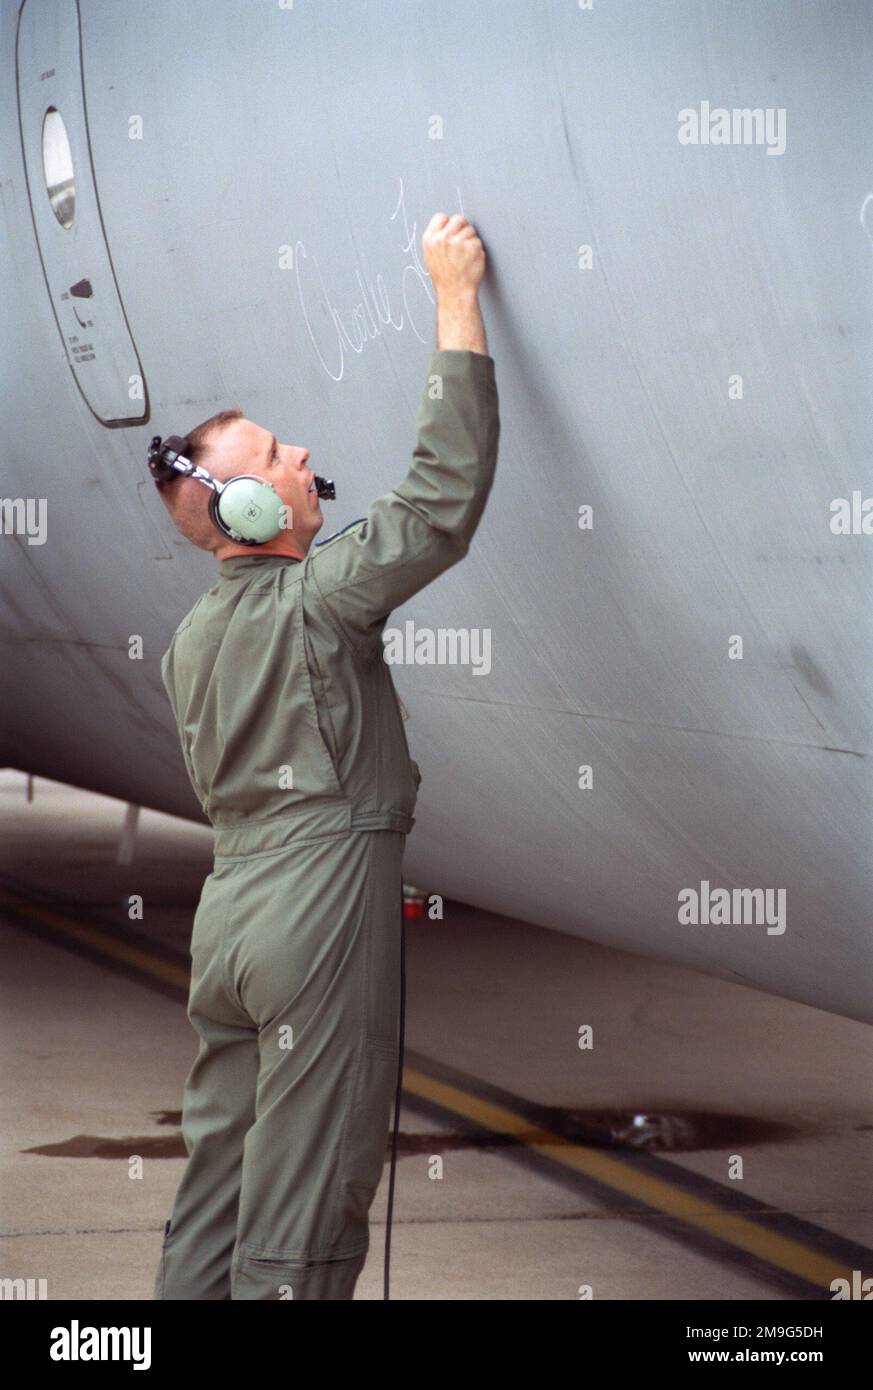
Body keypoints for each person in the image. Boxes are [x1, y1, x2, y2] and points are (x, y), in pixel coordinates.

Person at [152, 212, 500, 1299]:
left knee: (218, 1174)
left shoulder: (188, 640)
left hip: (231, 917)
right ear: (246, 506)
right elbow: (439, 501)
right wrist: (455, 299)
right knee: (307, 1192)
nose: (300, 453)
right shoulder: (322, 594)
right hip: (318, 908)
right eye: (272, 454)